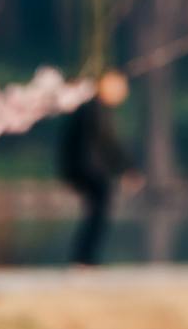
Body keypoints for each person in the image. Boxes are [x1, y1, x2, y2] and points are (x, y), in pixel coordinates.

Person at [60, 70, 133, 266]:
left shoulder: (92, 109)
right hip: (91, 171)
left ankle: (85, 257)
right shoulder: (95, 110)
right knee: (99, 212)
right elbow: (108, 143)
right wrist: (126, 168)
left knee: (97, 212)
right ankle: (84, 258)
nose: (123, 93)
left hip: (88, 169)